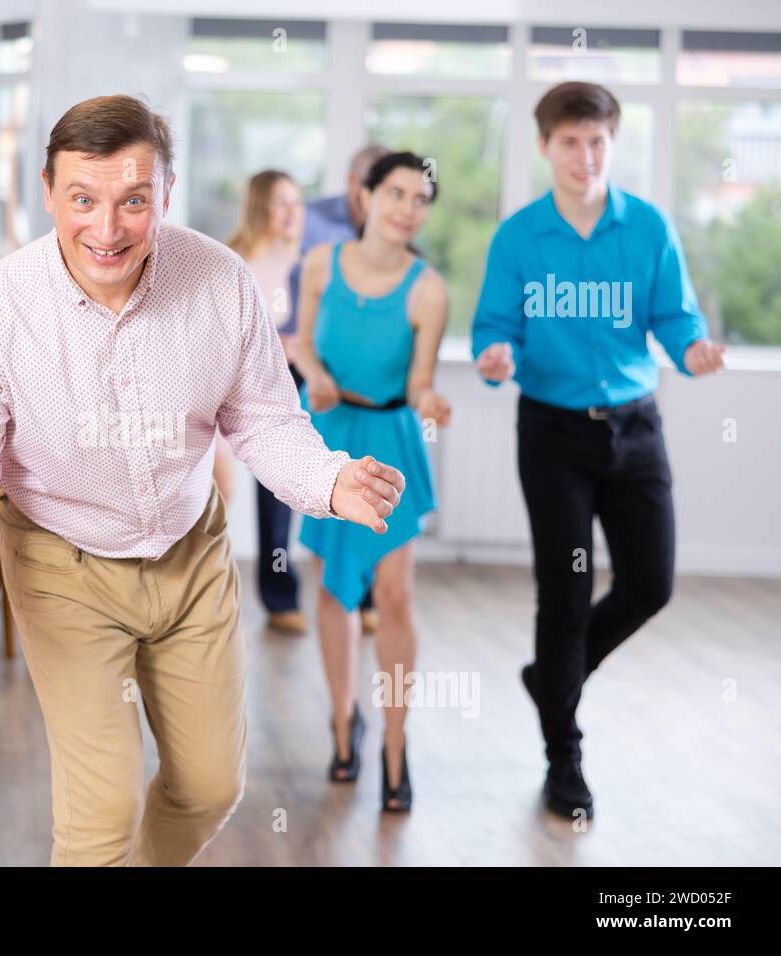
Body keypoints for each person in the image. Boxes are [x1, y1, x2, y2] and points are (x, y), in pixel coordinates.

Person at [0, 94, 407, 866]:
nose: (107, 229)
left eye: (134, 201)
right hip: (62, 563)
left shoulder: (221, 282)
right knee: (103, 811)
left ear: (166, 194)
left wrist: (330, 479)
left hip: (190, 550)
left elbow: (265, 422)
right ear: (48, 191)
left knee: (209, 787)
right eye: (83, 199)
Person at [471, 81, 726, 821]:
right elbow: (495, 327)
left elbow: (674, 317)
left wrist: (693, 349)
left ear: (613, 143)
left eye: (597, 142)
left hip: (635, 428)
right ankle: (564, 755)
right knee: (566, 592)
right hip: (553, 434)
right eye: (570, 143)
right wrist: (494, 356)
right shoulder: (518, 237)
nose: (585, 156)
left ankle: (552, 676)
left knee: (651, 583)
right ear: (545, 146)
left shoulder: (647, 227)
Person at [296, 151, 450, 809]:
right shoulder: (318, 265)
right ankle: (342, 724)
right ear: (366, 196)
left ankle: (394, 745)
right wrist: (316, 378)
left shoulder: (428, 290)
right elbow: (301, 344)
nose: (407, 209)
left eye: (421, 200)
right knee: (334, 591)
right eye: (396, 193)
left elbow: (419, 382)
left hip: (391, 442)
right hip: (329, 439)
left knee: (395, 597)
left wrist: (430, 400)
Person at [289, 143, 391, 634]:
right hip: (301, 361)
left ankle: (363, 595)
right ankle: (284, 597)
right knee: (292, 473)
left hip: (364, 376)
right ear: (354, 184)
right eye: (373, 187)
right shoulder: (312, 221)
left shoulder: (394, 232)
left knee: (366, 476)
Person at [225, 169, 308, 633]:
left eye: (297, 202)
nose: (293, 212)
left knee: (284, 489)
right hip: (236, 382)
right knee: (220, 490)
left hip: (293, 381)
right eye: (282, 202)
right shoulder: (232, 263)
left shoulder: (307, 265)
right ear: (260, 207)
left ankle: (282, 599)